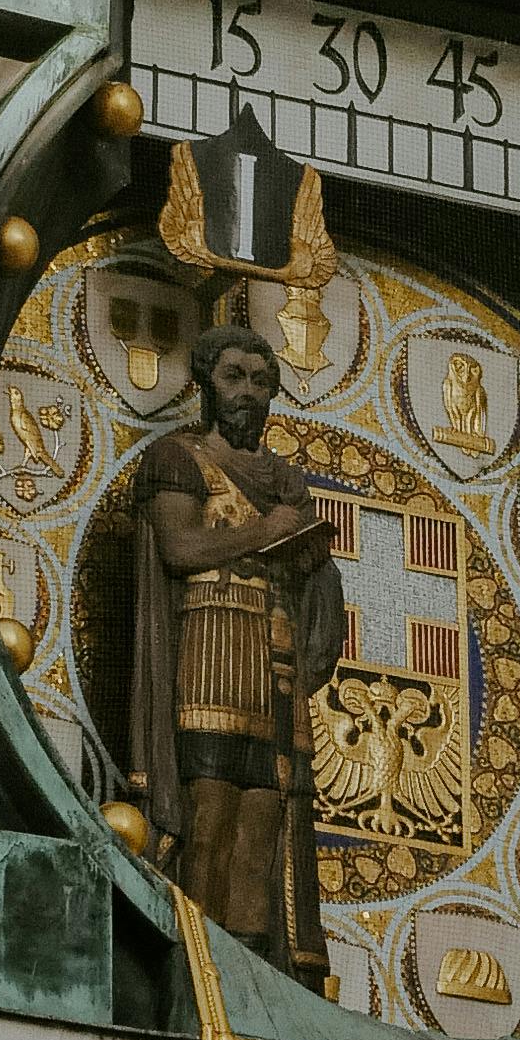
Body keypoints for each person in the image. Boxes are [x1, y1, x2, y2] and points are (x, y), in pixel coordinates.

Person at [124, 319, 346, 986]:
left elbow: (309, 571)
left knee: (266, 818)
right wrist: (264, 532)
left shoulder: (285, 480)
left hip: (275, 655)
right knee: (210, 808)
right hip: (209, 648)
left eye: (260, 381)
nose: (248, 392)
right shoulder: (177, 459)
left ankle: (251, 978)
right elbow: (180, 549)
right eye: (234, 378)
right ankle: (191, 963)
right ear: (205, 384)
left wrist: (309, 557)